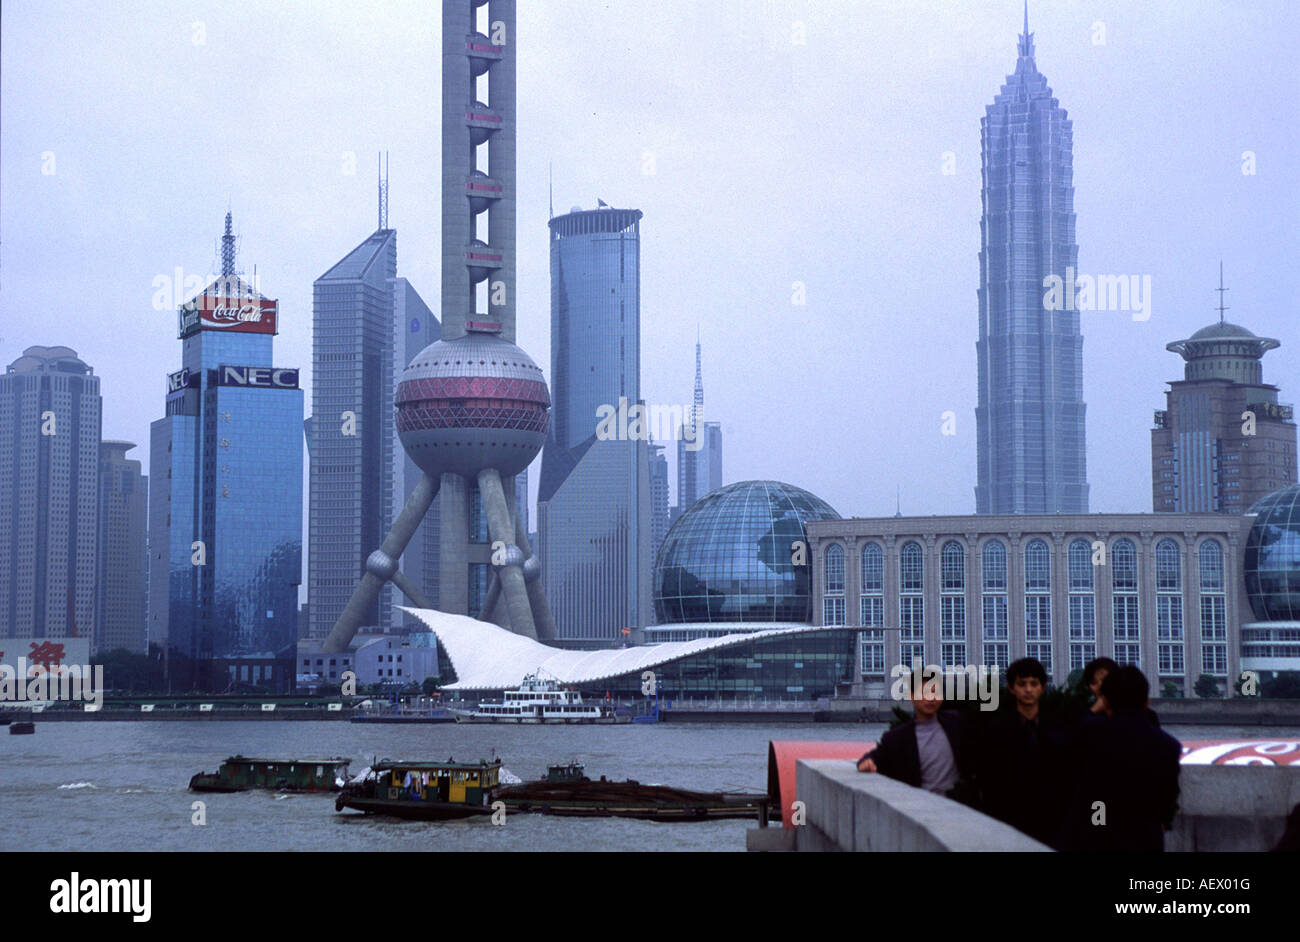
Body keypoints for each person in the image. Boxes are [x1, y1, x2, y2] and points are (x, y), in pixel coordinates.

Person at [1059, 665, 1181, 851]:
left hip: (1097, 837)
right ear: (1147, 702)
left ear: (1106, 701)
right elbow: (1168, 797)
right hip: (1145, 839)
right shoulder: (1168, 745)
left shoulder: (1091, 735)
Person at [976, 657, 1068, 847]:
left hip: (1051, 823)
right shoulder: (996, 731)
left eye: (1034, 684)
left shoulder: (1059, 729)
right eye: (1022, 684)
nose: (1028, 689)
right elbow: (989, 779)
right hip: (1009, 822)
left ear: (1042, 687)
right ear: (1011, 688)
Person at [856, 672, 975, 801]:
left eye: (935, 692)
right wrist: (866, 762)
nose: (930, 698)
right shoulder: (898, 738)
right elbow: (875, 756)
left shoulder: (956, 723)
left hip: (960, 807)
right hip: (920, 808)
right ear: (911, 696)